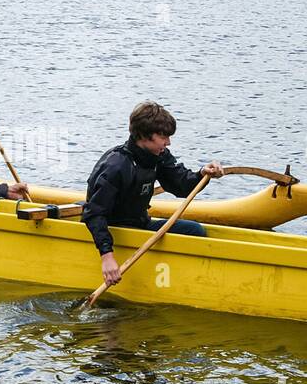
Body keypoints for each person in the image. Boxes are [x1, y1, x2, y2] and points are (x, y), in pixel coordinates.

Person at [82, 101, 226, 287]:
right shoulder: (116, 166)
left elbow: (182, 185)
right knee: (193, 231)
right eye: (163, 136)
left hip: (140, 224)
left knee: (194, 230)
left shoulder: (158, 157)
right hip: (116, 232)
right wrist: (107, 257)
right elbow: (94, 213)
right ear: (143, 135)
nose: (168, 142)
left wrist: (203, 174)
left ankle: (192, 278)